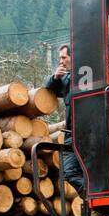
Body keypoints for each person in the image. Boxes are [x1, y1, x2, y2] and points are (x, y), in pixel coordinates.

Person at [43, 43, 85, 198]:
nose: (61, 61)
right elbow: (48, 86)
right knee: (69, 172)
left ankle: (92, 203)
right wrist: (55, 77)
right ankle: (91, 198)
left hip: (85, 132)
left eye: (63, 57)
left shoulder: (84, 76)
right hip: (71, 134)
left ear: (72, 57)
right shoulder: (65, 79)